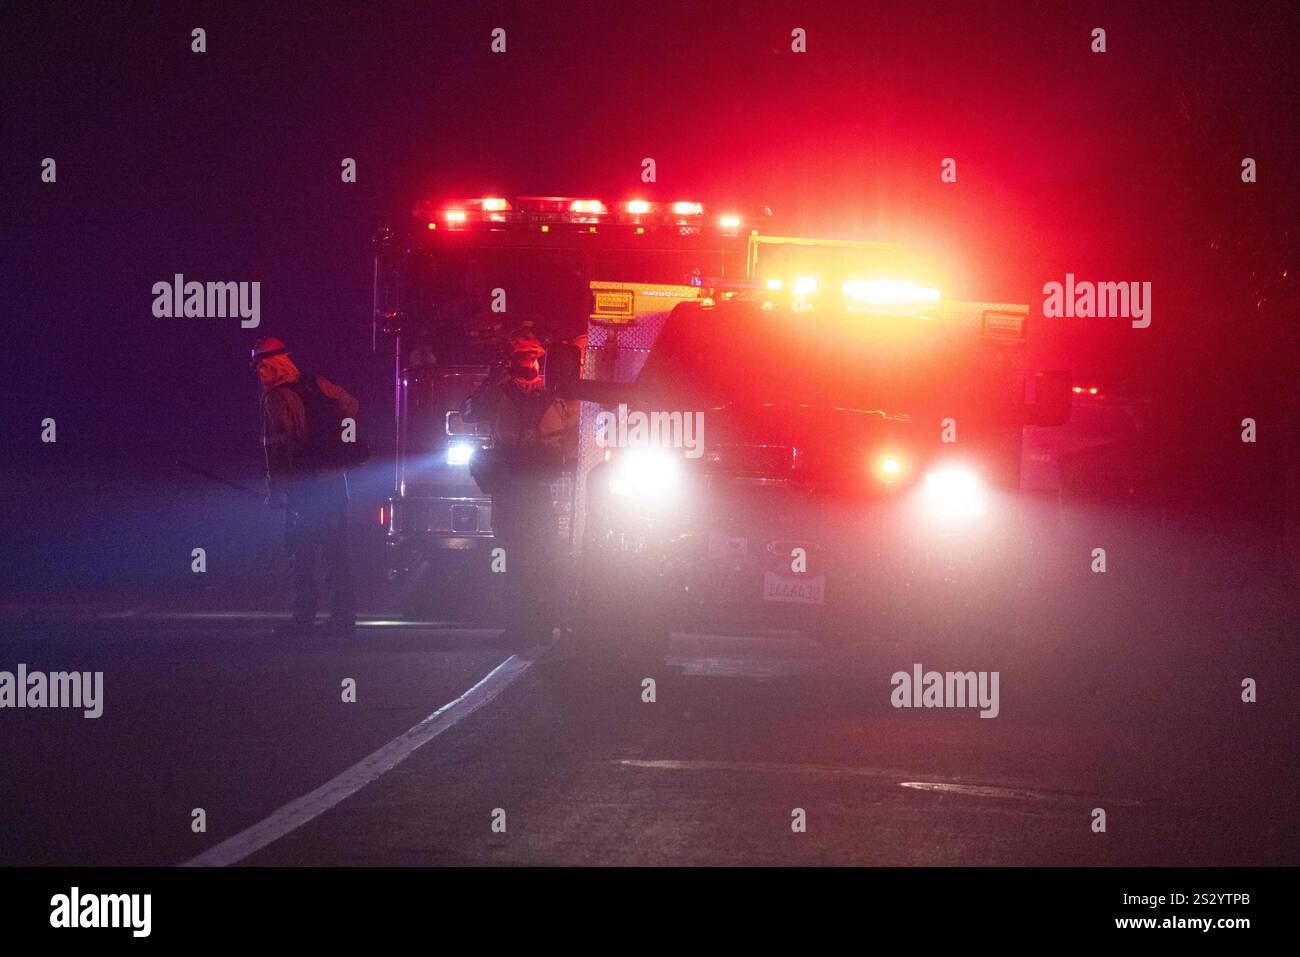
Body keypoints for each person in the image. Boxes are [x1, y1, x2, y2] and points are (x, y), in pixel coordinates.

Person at [461, 330, 576, 649]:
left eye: (532, 357)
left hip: (541, 488)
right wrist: (491, 379)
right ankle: (518, 626)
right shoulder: (497, 393)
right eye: (521, 357)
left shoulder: (557, 393)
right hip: (510, 486)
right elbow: (469, 413)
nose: (527, 363)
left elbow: (575, 431)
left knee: (541, 558)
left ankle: (541, 627)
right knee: (513, 559)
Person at [252, 336, 361, 639]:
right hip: (335, 482)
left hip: (305, 486)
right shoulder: (316, 383)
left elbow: (278, 448)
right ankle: (343, 619)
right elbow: (352, 405)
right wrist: (335, 443)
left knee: (301, 553)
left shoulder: (276, 397)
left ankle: (303, 620)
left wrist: (277, 491)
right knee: (336, 552)